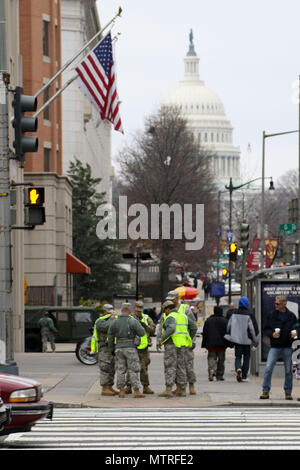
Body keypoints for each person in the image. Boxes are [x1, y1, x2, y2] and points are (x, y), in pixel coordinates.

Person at [260, 295, 297, 400]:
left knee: (288, 370)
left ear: (284, 304)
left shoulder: (291, 316)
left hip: (287, 346)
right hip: (275, 346)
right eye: (275, 303)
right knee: (268, 368)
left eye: (277, 304)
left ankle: (288, 392)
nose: (275, 305)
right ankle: (265, 391)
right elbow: (265, 329)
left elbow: (296, 326)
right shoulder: (272, 315)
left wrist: (294, 334)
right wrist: (272, 334)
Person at [158, 300, 197, 398]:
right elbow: (194, 327)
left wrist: (162, 339)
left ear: (168, 309)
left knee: (170, 366)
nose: (164, 313)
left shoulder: (171, 317)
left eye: (164, 310)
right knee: (181, 366)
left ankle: (168, 389)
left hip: (171, 344)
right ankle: (182, 390)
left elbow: (171, 328)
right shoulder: (183, 316)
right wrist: (189, 337)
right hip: (182, 345)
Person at [108, 302, 146, 398]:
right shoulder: (132, 321)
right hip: (130, 348)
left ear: (121, 310)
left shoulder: (115, 321)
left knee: (120, 370)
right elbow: (142, 333)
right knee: (133, 369)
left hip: (119, 348)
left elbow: (110, 335)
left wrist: (111, 348)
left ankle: (121, 391)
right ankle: (136, 391)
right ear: (130, 310)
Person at [224, 296, 259, 382]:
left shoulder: (234, 313)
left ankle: (238, 368)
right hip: (247, 340)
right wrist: (256, 341)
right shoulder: (249, 314)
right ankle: (244, 376)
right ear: (247, 303)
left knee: (238, 356)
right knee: (247, 357)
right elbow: (252, 329)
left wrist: (229, 334)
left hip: (237, 339)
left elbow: (229, 325)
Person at [125, 300, 156, 395]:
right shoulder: (129, 318)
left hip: (144, 348)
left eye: (140, 310)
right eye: (137, 310)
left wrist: (145, 326)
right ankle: (128, 386)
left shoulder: (147, 318)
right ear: (134, 308)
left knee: (144, 368)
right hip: (132, 347)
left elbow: (153, 330)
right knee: (131, 368)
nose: (139, 312)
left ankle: (145, 386)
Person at [90, 304, 119, 397]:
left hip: (111, 348)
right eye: (109, 312)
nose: (111, 314)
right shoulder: (100, 321)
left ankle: (110, 387)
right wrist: (112, 319)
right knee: (105, 368)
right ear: (104, 312)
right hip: (104, 348)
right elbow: (107, 327)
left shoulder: (112, 320)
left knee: (112, 368)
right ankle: (104, 388)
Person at [201, 306, 230, 381]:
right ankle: (219, 375)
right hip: (222, 344)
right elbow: (228, 332)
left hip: (211, 344)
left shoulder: (208, 321)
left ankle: (211, 371)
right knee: (221, 359)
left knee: (211, 358)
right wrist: (229, 344)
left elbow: (205, 333)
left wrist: (205, 344)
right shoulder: (225, 320)